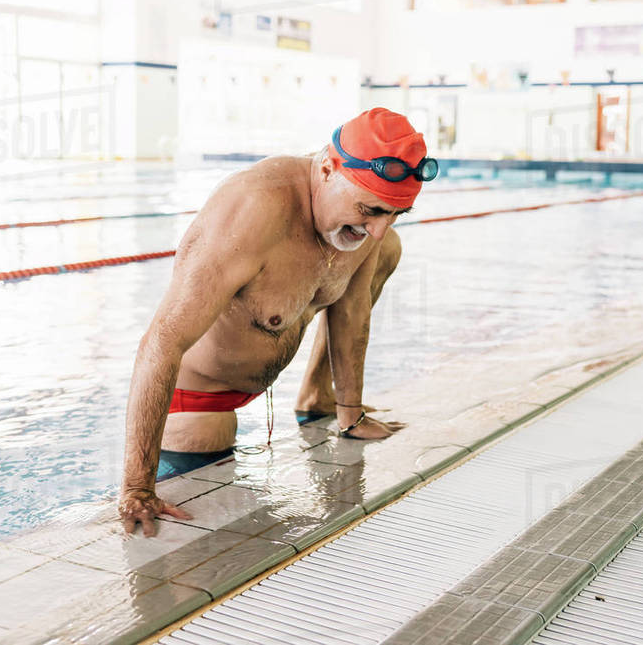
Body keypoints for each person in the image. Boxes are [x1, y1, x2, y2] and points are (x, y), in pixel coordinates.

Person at [119, 108, 437, 536]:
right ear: (327, 168)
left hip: (259, 376)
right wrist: (137, 486)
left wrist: (351, 412)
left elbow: (353, 311)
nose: (378, 228)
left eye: (395, 213)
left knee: (389, 250)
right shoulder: (252, 210)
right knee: (214, 554)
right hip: (199, 399)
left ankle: (317, 397)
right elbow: (161, 343)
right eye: (370, 209)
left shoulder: (360, 225)